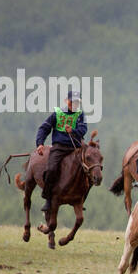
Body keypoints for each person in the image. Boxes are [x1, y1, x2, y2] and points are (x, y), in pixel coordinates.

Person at [34, 90, 88, 222]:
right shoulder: (57, 113)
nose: (74, 104)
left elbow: (84, 129)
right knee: (51, 169)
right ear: (66, 101)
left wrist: (73, 131)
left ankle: (81, 198)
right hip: (59, 147)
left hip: (76, 148)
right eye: (72, 101)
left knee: (89, 171)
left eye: (76, 102)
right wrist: (40, 143)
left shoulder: (80, 114)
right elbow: (44, 128)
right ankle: (48, 198)